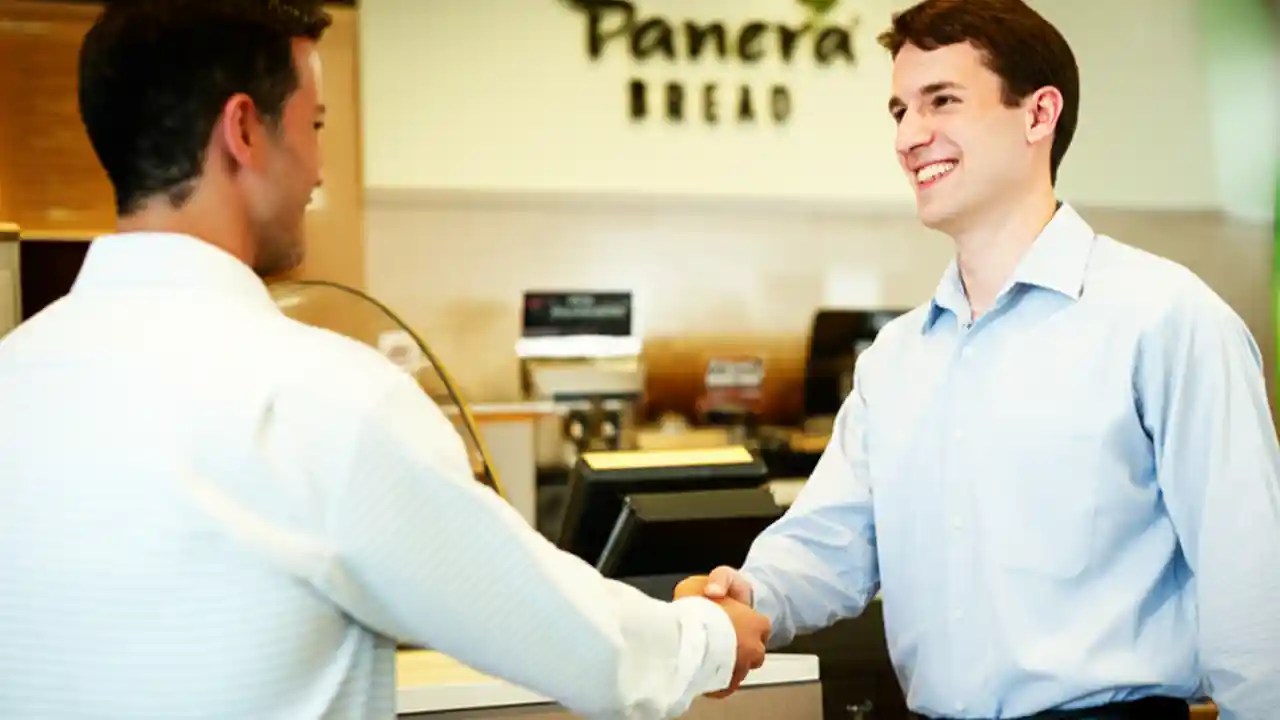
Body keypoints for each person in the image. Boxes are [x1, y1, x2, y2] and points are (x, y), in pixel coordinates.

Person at [0, 1, 770, 718]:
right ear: (244, 130)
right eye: (316, 125)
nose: (320, 171)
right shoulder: (320, 397)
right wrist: (706, 637)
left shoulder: (14, 378)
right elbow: (565, 638)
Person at [677, 0, 1280, 718]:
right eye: (899, 110)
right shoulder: (896, 360)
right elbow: (830, 542)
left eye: (943, 101)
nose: (909, 136)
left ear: (1038, 115)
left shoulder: (1167, 320)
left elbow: (1252, 583)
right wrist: (746, 595)